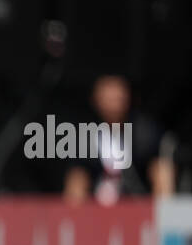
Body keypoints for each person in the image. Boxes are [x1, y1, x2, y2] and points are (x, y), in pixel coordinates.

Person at [62, 74, 174, 205]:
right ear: (96, 97)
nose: (114, 98)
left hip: (138, 208)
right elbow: (76, 181)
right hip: (97, 212)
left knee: (162, 170)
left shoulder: (144, 133)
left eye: (118, 91)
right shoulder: (86, 138)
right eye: (108, 92)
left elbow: (161, 174)